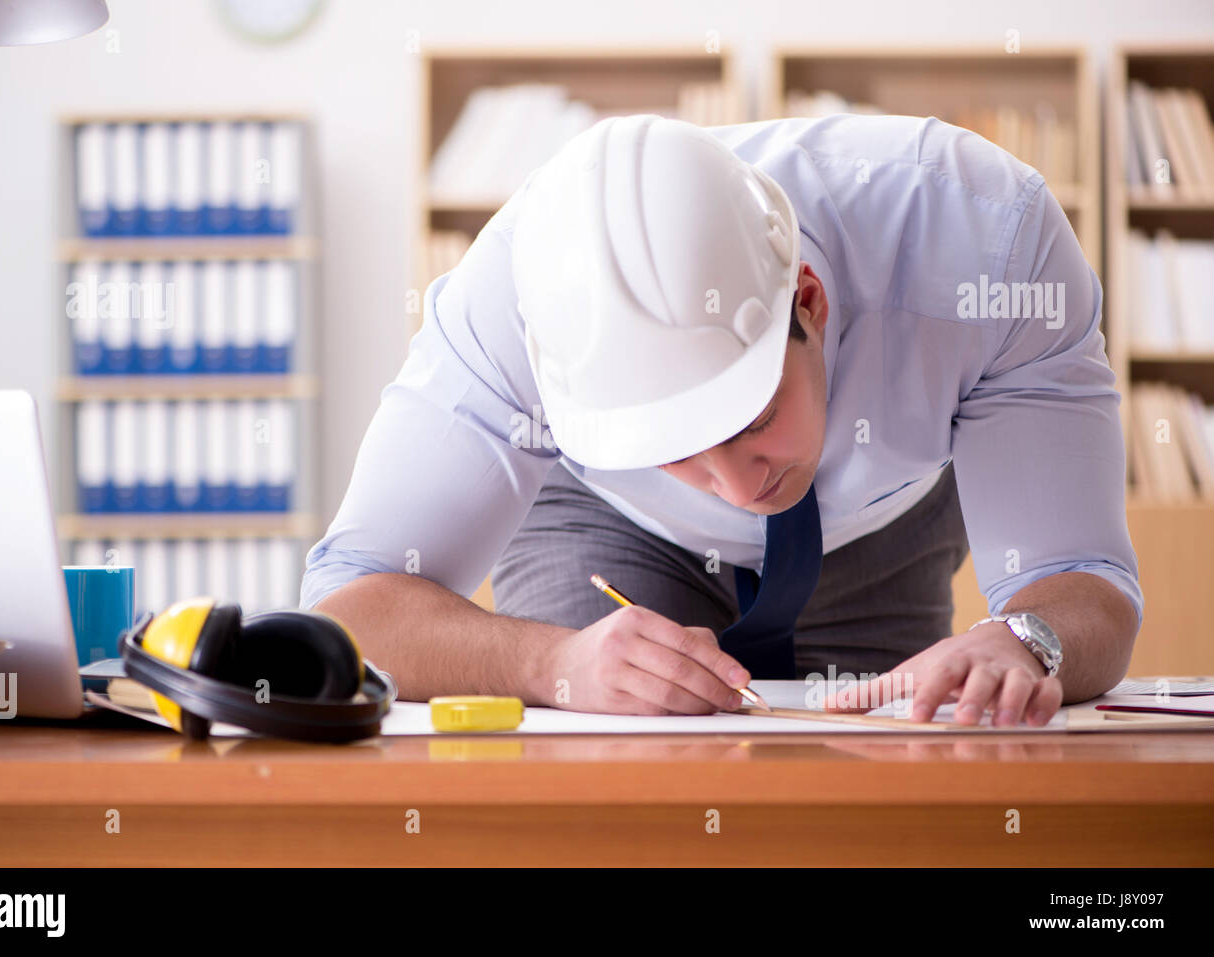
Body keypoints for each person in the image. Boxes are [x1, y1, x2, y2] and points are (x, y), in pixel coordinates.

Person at [301, 113, 1142, 727]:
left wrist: (1028, 640)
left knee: (895, 782)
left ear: (807, 298)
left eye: (753, 415)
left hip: (887, 523)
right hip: (612, 532)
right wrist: (550, 662)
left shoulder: (992, 244)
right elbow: (350, 606)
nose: (738, 485)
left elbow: (1082, 576)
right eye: (677, 449)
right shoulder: (506, 311)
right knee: (619, 792)